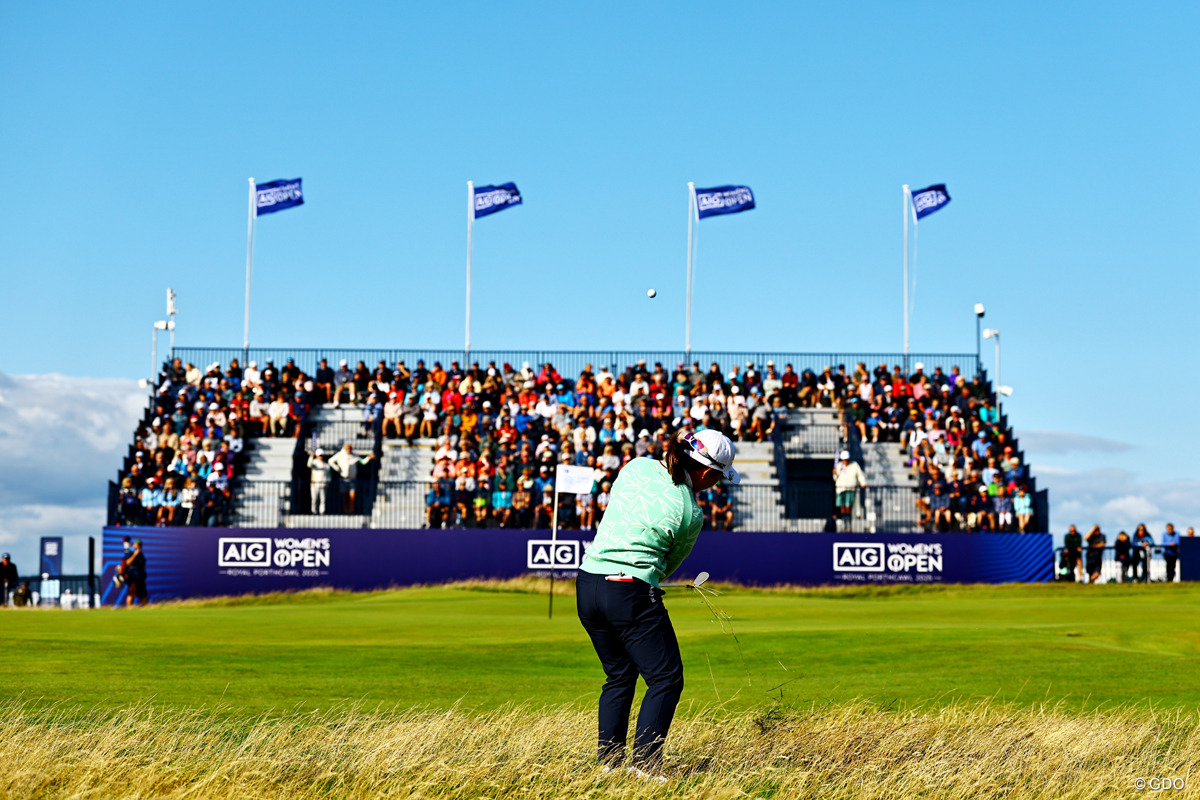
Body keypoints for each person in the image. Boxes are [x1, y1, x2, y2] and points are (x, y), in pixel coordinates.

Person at [576, 428, 739, 776]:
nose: (716, 484)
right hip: (628, 591)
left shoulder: (636, 466)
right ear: (708, 473)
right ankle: (646, 767)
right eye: (718, 478)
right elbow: (667, 565)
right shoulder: (689, 513)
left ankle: (610, 766)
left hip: (587, 583)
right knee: (666, 678)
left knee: (619, 675)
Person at [328, 443, 375, 514]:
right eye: (348, 448)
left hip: (352, 479)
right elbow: (330, 461)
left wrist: (368, 457)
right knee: (345, 496)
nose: (349, 450)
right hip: (343, 478)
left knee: (352, 496)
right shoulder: (340, 455)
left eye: (350, 448)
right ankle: (346, 510)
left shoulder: (354, 455)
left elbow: (362, 462)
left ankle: (351, 510)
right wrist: (338, 468)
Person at [833, 451, 866, 522]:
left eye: (846, 459)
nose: (845, 461)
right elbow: (835, 478)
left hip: (850, 489)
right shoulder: (839, 466)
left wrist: (863, 483)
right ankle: (843, 522)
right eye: (844, 459)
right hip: (840, 489)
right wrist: (834, 473)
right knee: (841, 506)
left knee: (848, 506)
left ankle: (848, 522)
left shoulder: (854, 465)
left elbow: (860, 475)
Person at [122, 539, 148, 607]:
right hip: (132, 576)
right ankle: (129, 609)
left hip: (140, 577)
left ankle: (146, 609)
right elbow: (127, 563)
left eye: (140, 545)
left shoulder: (141, 554)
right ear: (134, 545)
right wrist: (134, 555)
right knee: (131, 592)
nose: (138, 546)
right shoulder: (130, 552)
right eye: (137, 545)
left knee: (143, 593)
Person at [308, 448, 332, 514]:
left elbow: (329, 475)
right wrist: (311, 456)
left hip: (323, 484)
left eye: (321, 455)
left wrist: (327, 483)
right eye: (319, 455)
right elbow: (309, 464)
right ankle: (314, 511)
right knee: (314, 499)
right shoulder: (314, 462)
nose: (320, 456)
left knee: (323, 499)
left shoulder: (326, 465)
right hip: (315, 484)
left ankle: (322, 511)